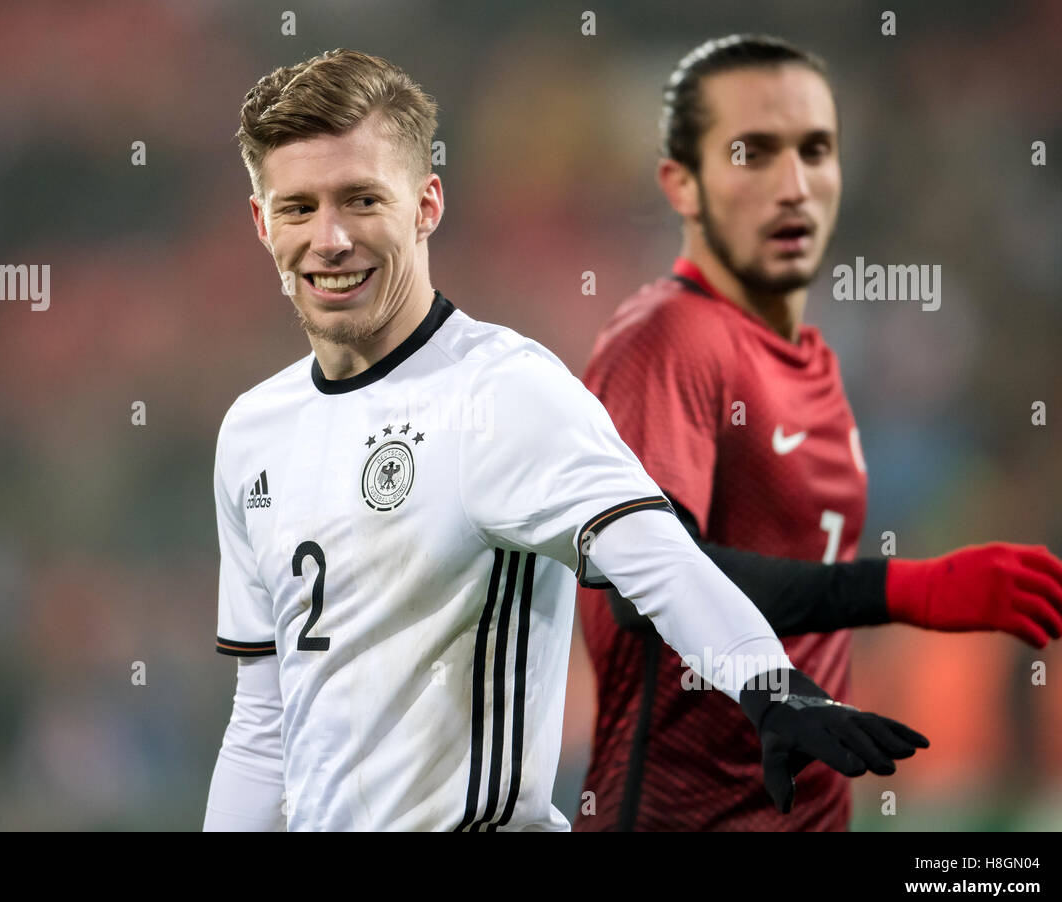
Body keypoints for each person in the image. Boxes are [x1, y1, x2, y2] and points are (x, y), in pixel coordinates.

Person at [203, 49, 927, 832]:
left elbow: (655, 555)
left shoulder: (501, 392)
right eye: (298, 207)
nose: (331, 237)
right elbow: (264, 722)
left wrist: (768, 684)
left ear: (426, 204)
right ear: (260, 221)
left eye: (361, 199)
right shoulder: (253, 432)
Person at [574, 34, 1062, 832]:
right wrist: (902, 589)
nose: (793, 184)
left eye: (816, 150)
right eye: (753, 152)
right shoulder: (668, 340)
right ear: (682, 183)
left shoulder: (812, 363)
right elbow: (646, 578)